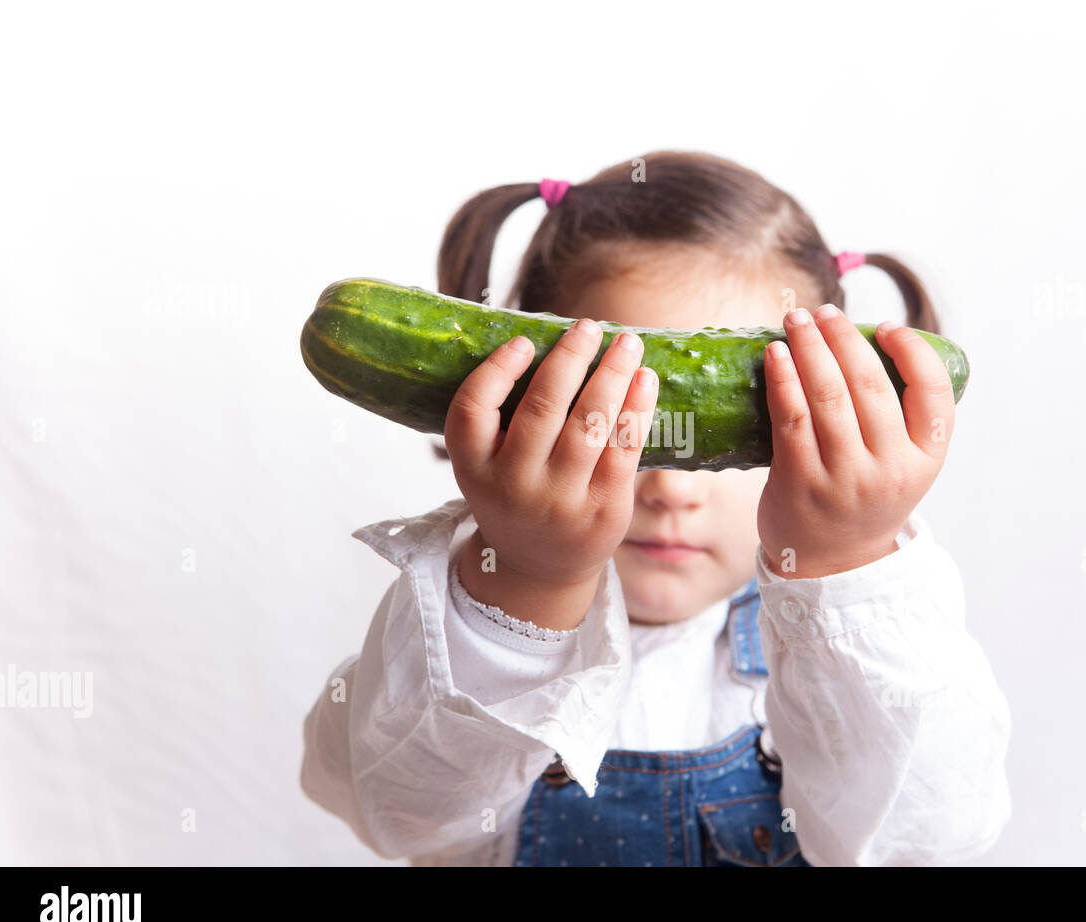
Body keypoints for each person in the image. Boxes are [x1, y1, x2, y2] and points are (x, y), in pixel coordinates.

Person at [300, 150, 1012, 866]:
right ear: (521, 408)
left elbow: (929, 840)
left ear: (837, 439)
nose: (673, 487)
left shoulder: (859, 646)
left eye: (732, 443)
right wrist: (525, 581)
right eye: (607, 428)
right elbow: (397, 815)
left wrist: (848, 568)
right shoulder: (456, 621)